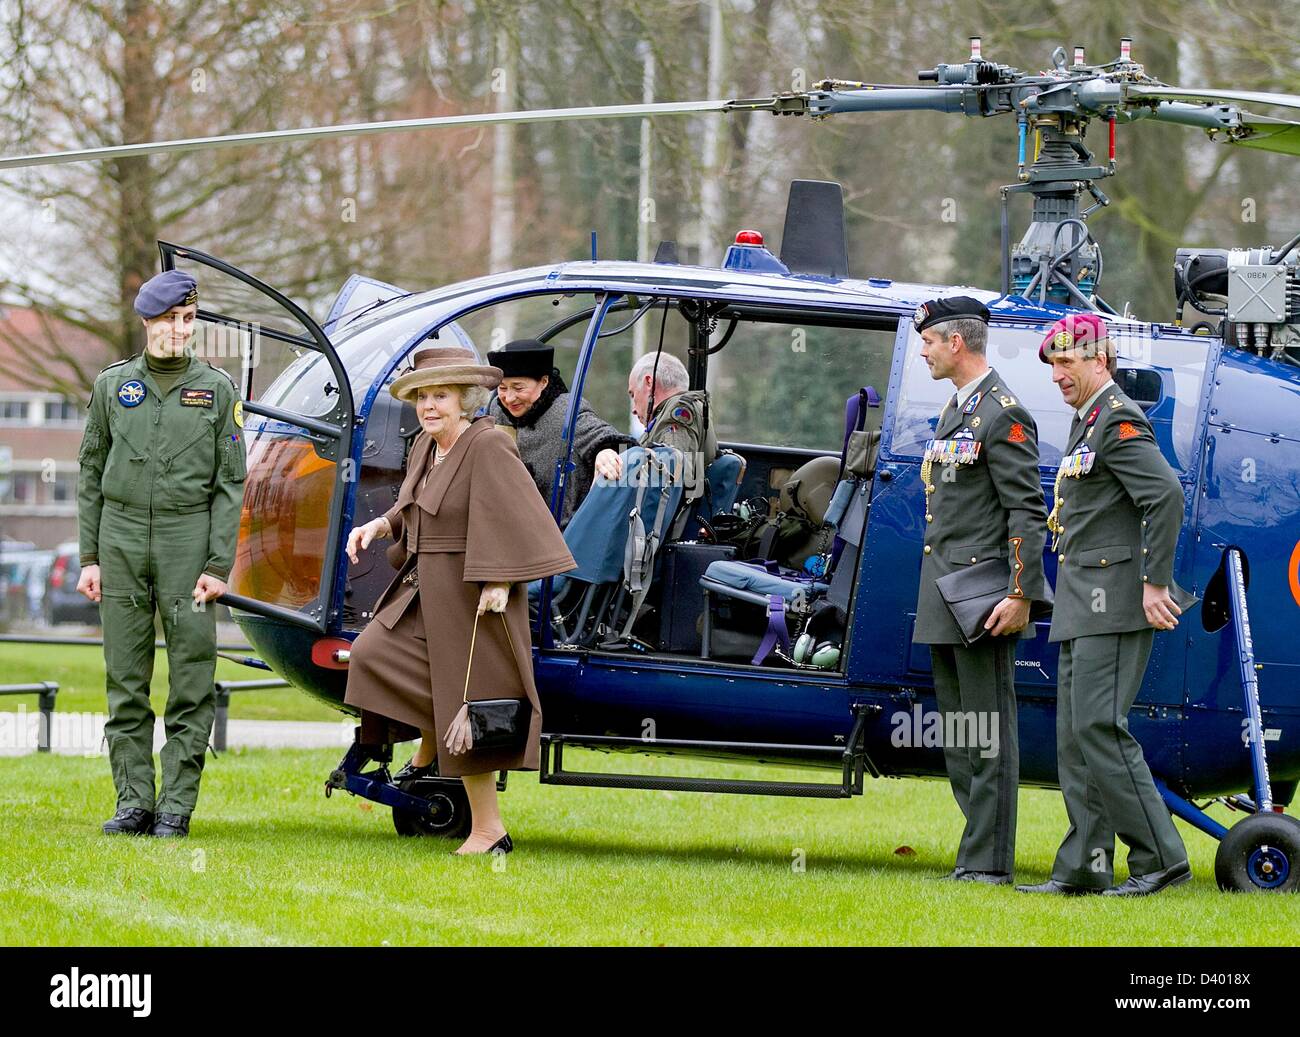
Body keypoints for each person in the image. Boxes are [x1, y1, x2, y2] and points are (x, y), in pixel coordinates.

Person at [343, 346, 576, 854]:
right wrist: (378, 525)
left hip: (476, 595)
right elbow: (414, 508)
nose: (429, 406)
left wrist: (501, 581)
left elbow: (522, 517)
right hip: (424, 589)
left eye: (440, 396)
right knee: (371, 655)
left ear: (465, 399)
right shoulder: (428, 447)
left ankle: (489, 831)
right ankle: (427, 754)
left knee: (464, 704)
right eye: (422, 397)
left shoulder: (488, 443)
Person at [1018, 313, 1191, 897]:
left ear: (1100, 359)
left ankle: (1160, 857)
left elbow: (1164, 495)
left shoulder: (1116, 419)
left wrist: (1154, 583)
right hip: (1083, 600)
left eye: (1068, 363)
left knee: (1099, 726)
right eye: (1053, 365)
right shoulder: (1087, 421)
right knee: (1075, 734)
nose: (1058, 375)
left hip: (1114, 601)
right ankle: (1085, 867)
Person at [76, 269, 247, 838]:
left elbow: (230, 483)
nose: (179, 330)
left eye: (189, 320)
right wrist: (88, 557)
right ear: (147, 322)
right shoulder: (111, 386)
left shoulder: (217, 389)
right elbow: (91, 472)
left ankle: (175, 806)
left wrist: (218, 565)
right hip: (119, 539)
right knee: (125, 680)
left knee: (191, 681)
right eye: (169, 320)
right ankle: (133, 803)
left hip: (187, 541)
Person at [911, 296, 1049, 885]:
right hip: (946, 591)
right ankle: (977, 854)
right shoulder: (957, 411)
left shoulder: (1003, 414)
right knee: (961, 733)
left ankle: (989, 864)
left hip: (984, 598)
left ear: (956, 343)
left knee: (987, 729)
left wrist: (1020, 594)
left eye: (929, 341)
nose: (922, 351)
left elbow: (1026, 511)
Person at [485, 338, 632, 527]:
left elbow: (619, 444)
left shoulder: (568, 412)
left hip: (564, 535)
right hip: (513, 531)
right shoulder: (497, 411)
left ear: (544, 381)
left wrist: (605, 452)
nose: (509, 397)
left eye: (518, 387)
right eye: (502, 388)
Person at [606, 351, 717, 502]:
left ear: (649, 383)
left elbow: (669, 480)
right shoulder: (687, 410)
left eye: (633, 394)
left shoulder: (678, 412)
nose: (633, 409)